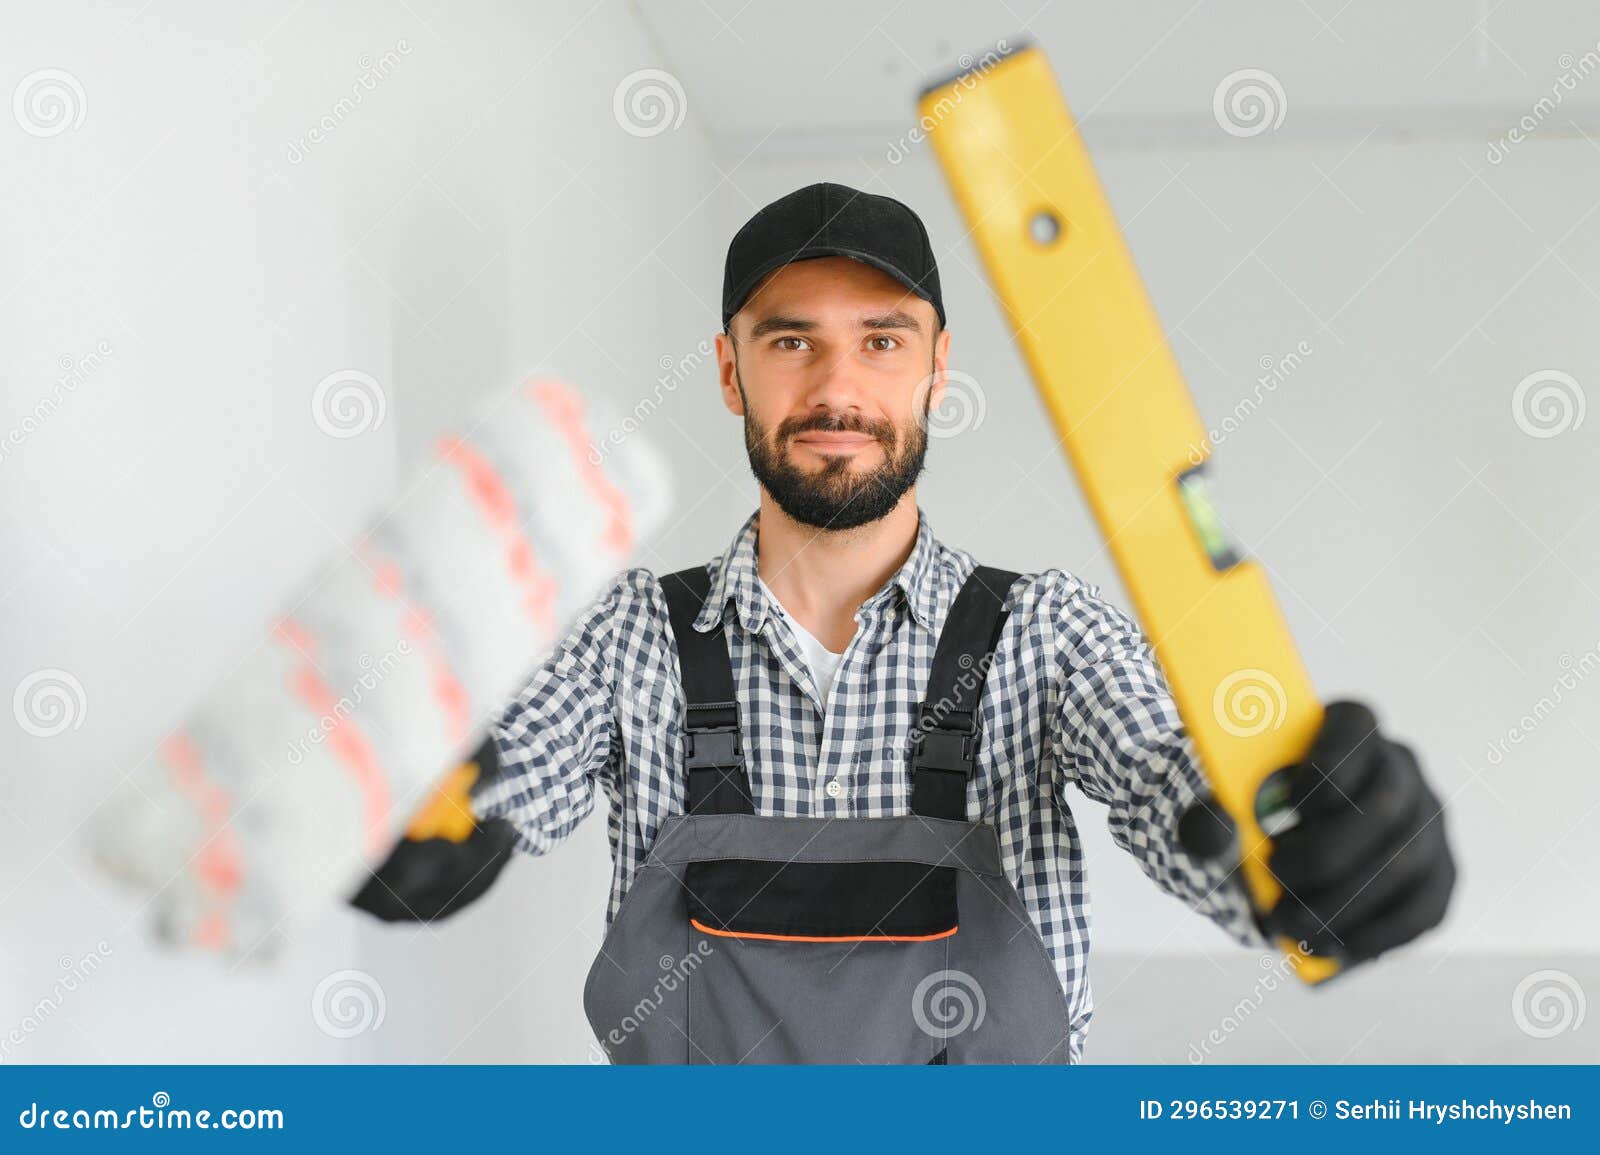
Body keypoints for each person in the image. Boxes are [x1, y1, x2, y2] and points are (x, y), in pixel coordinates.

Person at [472, 182, 1456, 1064]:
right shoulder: (629, 637)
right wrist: (415, 817)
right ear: (730, 372)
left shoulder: (1045, 633)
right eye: (790, 340)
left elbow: (1172, 781)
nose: (838, 388)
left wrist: (1303, 851)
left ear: (939, 369)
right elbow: (500, 777)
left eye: (882, 340)